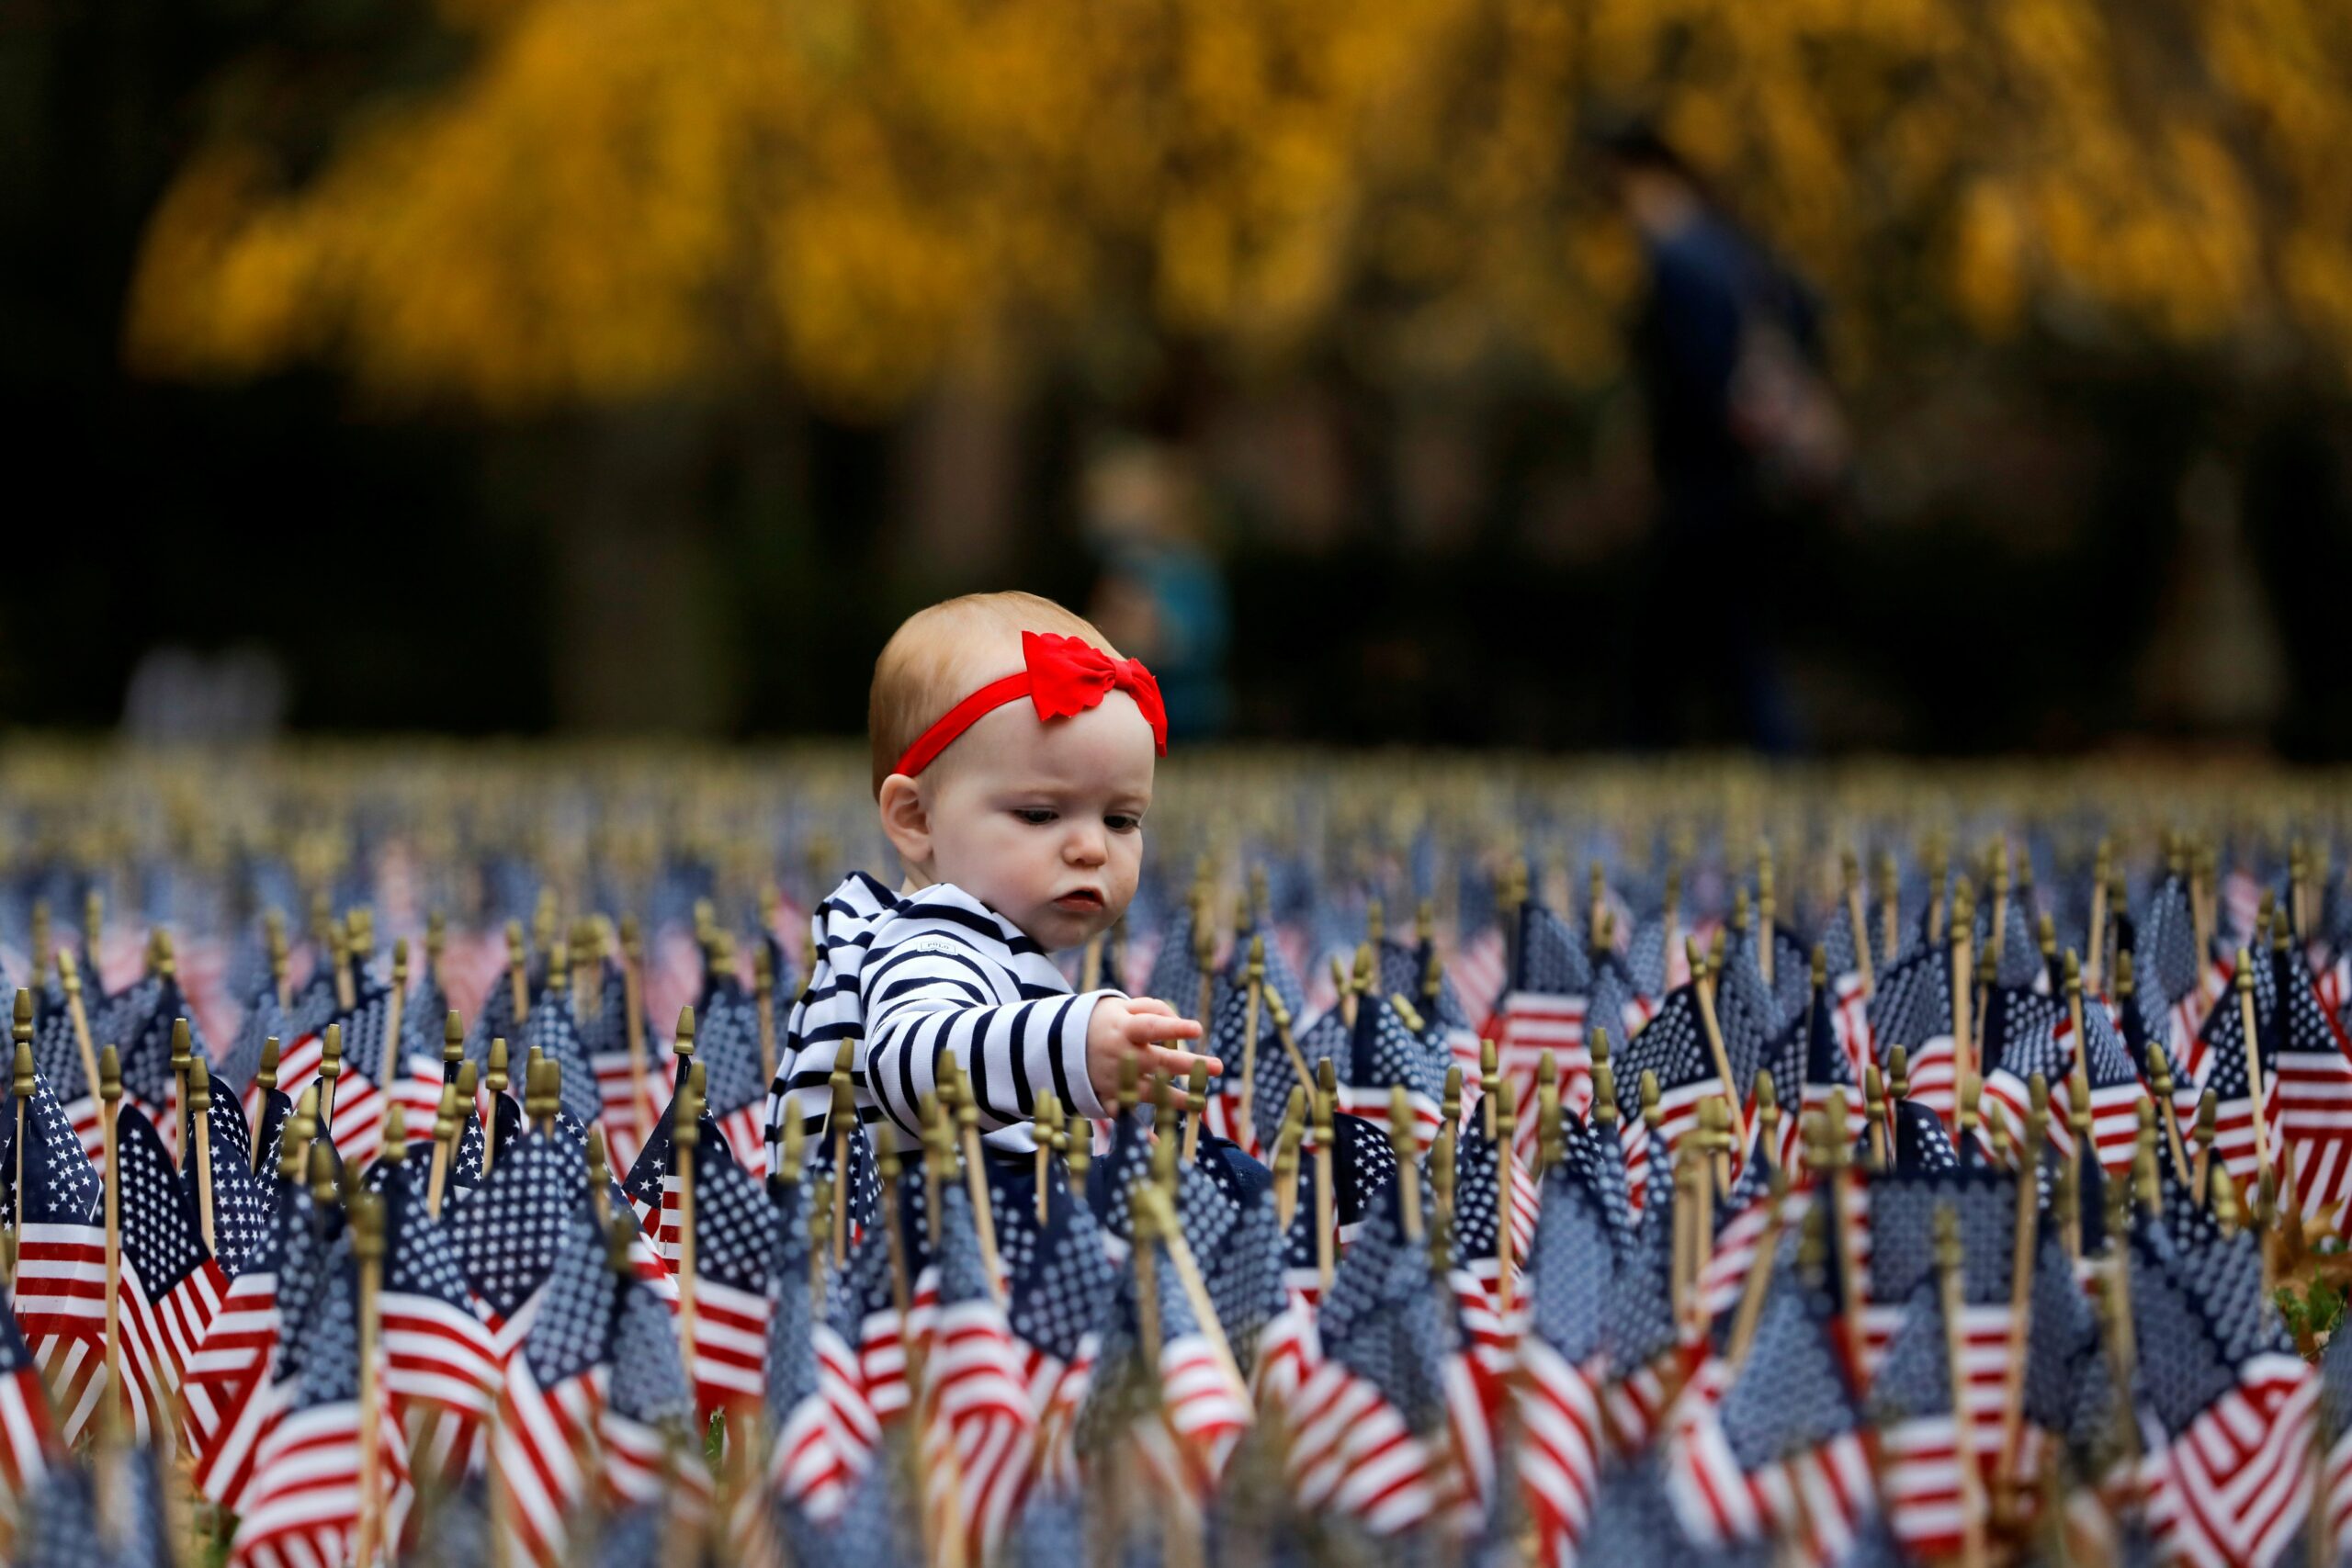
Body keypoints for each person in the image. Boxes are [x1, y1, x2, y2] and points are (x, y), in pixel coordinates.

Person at [764, 591, 1219, 1158]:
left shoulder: (977, 941)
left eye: (1121, 819)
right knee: (1235, 1179)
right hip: (904, 1234)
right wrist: (1073, 1049)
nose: (1090, 849)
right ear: (916, 819)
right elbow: (913, 1063)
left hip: (966, 1216)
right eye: (1039, 814)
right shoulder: (930, 940)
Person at [1598, 123, 1839, 755]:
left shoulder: (1683, 261)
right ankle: (1774, 762)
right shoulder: (1737, 250)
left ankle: (1658, 769)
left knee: (1679, 651)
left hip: (1711, 481)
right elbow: (1811, 313)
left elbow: (1694, 381)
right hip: (1744, 481)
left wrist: (1652, 464)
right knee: (1727, 643)